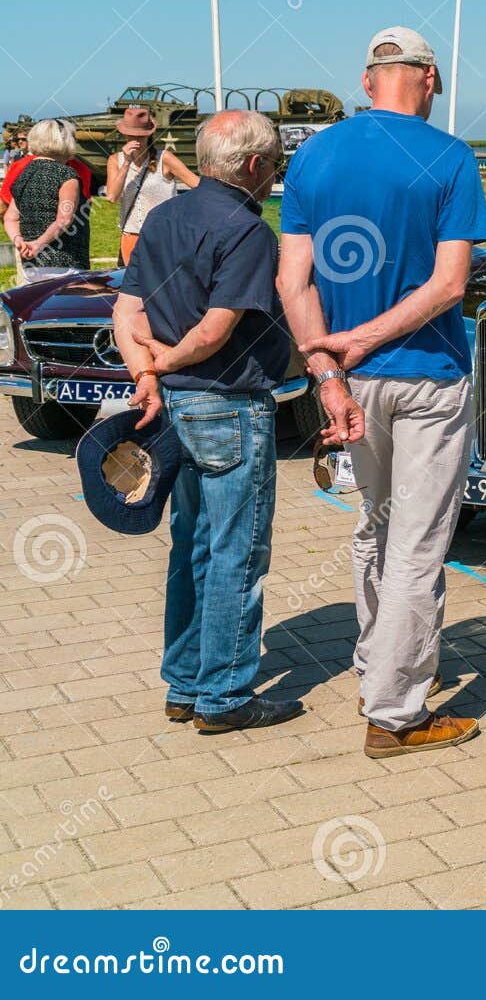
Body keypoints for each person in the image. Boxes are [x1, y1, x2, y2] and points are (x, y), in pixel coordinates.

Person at [277, 25, 486, 758]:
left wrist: (330, 370)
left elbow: (292, 281)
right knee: (418, 543)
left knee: (374, 524)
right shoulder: (451, 158)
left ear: (368, 82)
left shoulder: (314, 154)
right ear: (428, 78)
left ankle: (377, 661)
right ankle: (396, 713)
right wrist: (367, 339)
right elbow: (451, 284)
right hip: (426, 377)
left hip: (350, 384)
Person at [110, 111, 303, 733]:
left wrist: (146, 372)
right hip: (228, 405)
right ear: (253, 166)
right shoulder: (248, 229)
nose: (274, 175)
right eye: (273, 163)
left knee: (190, 545)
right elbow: (219, 327)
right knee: (237, 551)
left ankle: (185, 681)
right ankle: (224, 695)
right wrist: (166, 359)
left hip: (174, 406)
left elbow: (127, 305)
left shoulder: (164, 216)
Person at [105, 106, 199, 266]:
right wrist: (127, 162)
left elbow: (196, 184)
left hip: (163, 236)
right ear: (125, 135)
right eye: (131, 136)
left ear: (149, 136)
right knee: (134, 288)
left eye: (141, 136)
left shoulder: (165, 158)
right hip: (131, 237)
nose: (136, 141)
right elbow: (112, 196)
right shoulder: (115, 160)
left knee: (163, 286)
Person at [3, 118, 90, 280]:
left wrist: (19, 241)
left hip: (31, 266)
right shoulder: (67, 175)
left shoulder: (23, 174)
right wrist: (38, 244)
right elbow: (64, 220)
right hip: (66, 263)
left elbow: (10, 218)